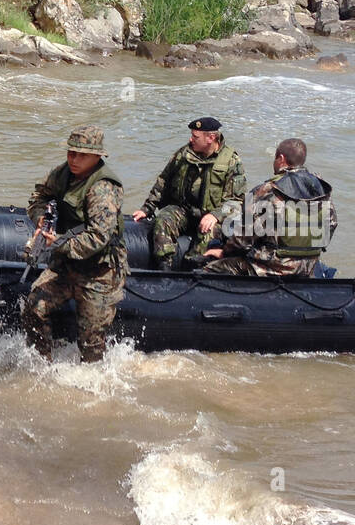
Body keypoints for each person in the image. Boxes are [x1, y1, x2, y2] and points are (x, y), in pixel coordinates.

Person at [22, 126, 128, 363]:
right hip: (66, 264)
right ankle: (42, 364)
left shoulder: (103, 188)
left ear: (97, 156)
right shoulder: (62, 173)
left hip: (99, 273)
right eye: (71, 152)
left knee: (91, 342)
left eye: (81, 154)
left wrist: (58, 243)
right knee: (34, 309)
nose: (74, 158)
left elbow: (99, 237)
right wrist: (41, 218)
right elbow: (38, 197)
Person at [199, 138, 337, 277]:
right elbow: (332, 224)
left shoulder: (266, 190)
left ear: (281, 159)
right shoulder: (320, 187)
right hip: (309, 266)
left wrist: (223, 252)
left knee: (209, 270)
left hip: (273, 269)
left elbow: (243, 239)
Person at [131, 117, 246, 270]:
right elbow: (163, 181)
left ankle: (194, 267)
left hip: (211, 216)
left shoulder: (231, 161)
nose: (191, 139)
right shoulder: (184, 154)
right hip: (184, 210)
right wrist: (147, 208)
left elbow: (236, 201)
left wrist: (216, 215)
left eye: (195, 136)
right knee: (164, 219)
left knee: (209, 231)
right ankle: (164, 267)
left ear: (210, 138)